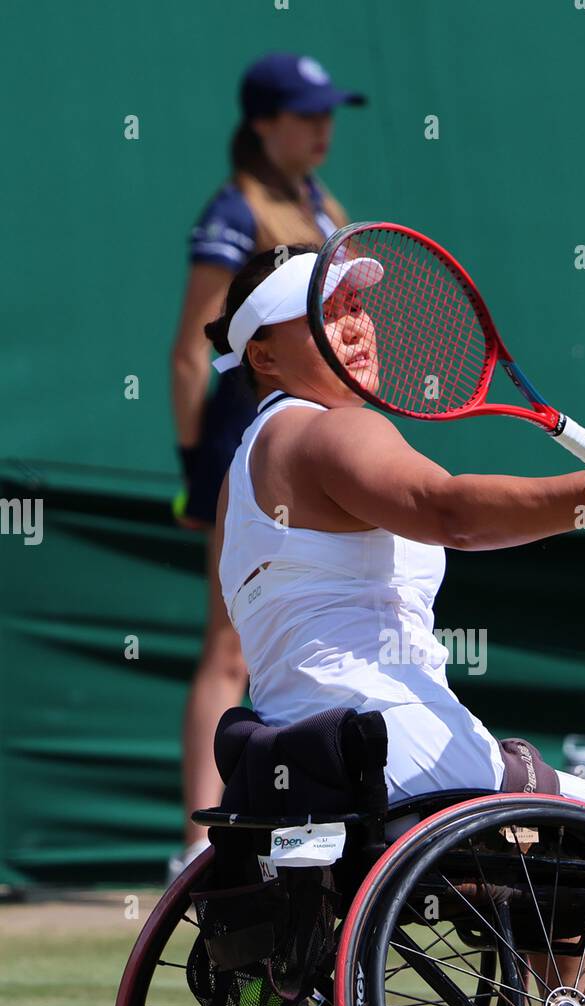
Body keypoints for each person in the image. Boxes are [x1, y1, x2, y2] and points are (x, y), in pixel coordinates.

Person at [207, 246, 585, 1006]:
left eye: (359, 307)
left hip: (312, 755)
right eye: (328, 312)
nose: (358, 325)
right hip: (398, 755)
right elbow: (447, 508)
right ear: (264, 353)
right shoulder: (331, 430)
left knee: (556, 858)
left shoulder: (246, 465)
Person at [168, 54, 363, 879]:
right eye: (303, 114)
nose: (321, 128)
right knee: (228, 650)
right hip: (244, 452)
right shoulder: (232, 212)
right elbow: (189, 352)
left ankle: (311, 816)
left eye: (327, 113)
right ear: (262, 124)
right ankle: (199, 848)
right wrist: (193, 468)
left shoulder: (322, 205)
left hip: (316, 443)